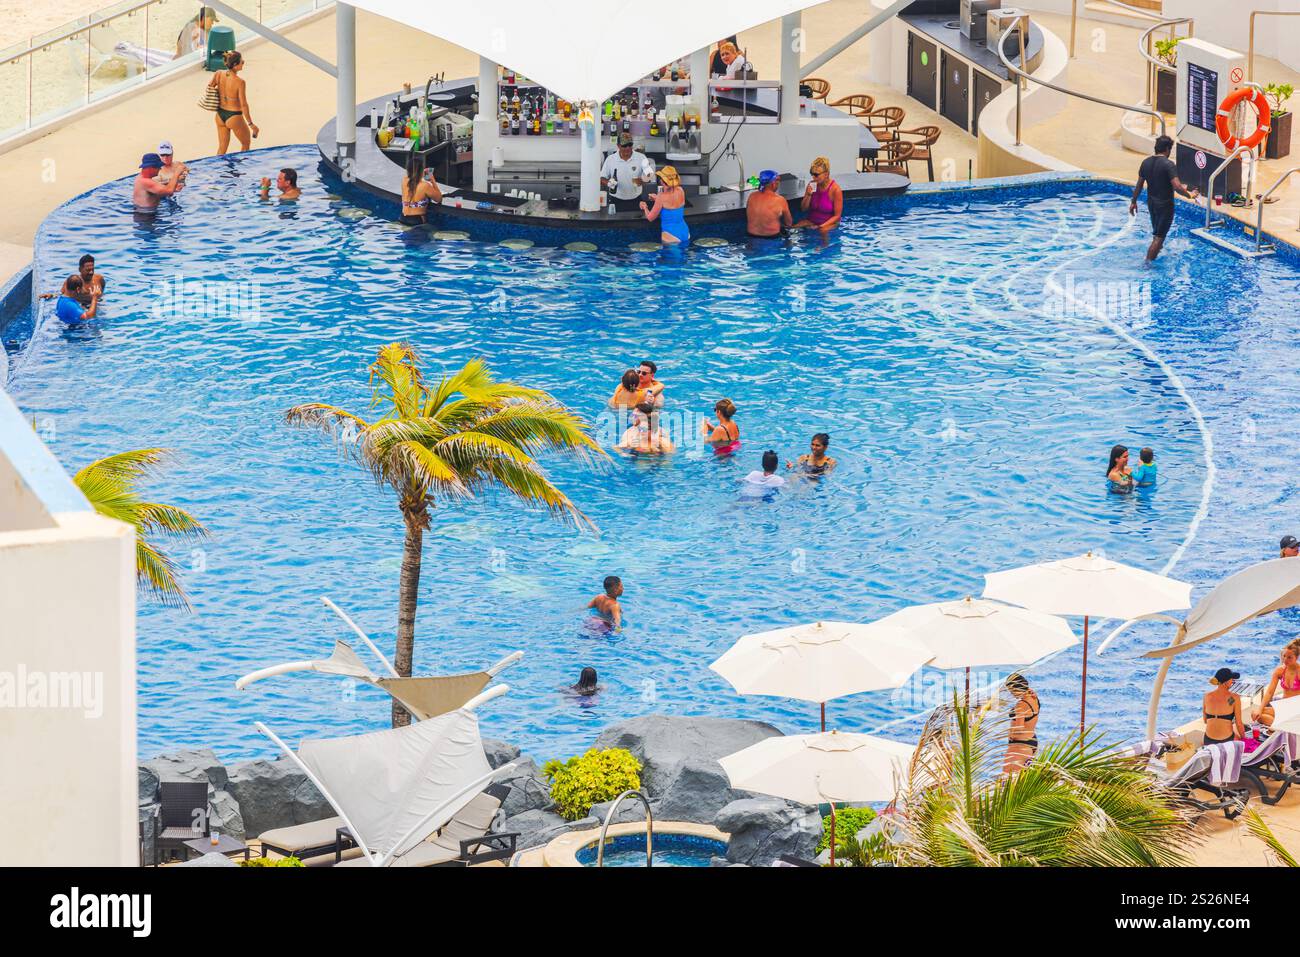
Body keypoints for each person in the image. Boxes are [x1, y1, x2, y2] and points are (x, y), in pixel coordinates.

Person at [1130, 134, 1199, 262]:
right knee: (1159, 237)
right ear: (1167, 149)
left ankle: (1155, 253)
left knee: (1157, 234)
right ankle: (1148, 263)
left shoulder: (1145, 162)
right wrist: (1190, 195)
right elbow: (1177, 186)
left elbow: (1139, 185)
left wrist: (1133, 202)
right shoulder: (1168, 164)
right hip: (1165, 206)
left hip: (1151, 204)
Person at [207, 51, 258, 155]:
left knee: (222, 148)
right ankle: (243, 170)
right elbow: (244, 105)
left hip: (220, 115)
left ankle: (217, 169)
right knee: (245, 143)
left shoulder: (218, 74)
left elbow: (209, 87)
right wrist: (251, 124)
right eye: (241, 62)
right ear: (235, 65)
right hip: (234, 117)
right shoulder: (240, 82)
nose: (243, 63)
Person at [601, 131, 653, 212]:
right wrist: (608, 183)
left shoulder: (641, 157)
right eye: (624, 145)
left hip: (636, 200)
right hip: (616, 200)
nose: (628, 148)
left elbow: (649, 175)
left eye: (630, 145)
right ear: (618, 146)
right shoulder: (610, 159)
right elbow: (602, 178)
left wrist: (643, 180)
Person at [1252, 640, 1300, 726]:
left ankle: (1281, 725)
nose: (1285, 660)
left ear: (1296, 657)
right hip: (1283, 706)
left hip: (1296, 709)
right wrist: (1260, 709)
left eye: (1289, 657)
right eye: (1284, 656)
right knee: (1256, 714)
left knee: (1262, 715)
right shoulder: (1280, 670)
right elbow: (1270, 692)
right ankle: (1282, 725)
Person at [640, 166, 689, 246]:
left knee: (669, 258)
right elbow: (671, 203)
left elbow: (650, 218)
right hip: (684, 231)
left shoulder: (661, 197)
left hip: (670, 235)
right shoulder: (680, 190)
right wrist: (657, 199)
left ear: (662, 181)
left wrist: (644, 207)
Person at [793, 157, 842, 234]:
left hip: (829, 223)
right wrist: (808, 195)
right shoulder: (812, 184)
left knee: (823, 231)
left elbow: (837, 216)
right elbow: (803, 209)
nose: (813, 177)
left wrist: (821, 226)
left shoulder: (835, 190)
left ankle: (824, 246)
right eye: (812, 174)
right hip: (812, 221)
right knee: (792, 229)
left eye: (816, 175)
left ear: (826, 174)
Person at [1004, 673, 1040, 773]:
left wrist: (1010, 735)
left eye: (1012, 691)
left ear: (1018, 688)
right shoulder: (1033, 697)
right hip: (1031, 741)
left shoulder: (1021, 705)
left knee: (1009, 779)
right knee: (1022, 779)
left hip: (1020, 745)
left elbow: (1019, 729)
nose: (1012, 694)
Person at [1202, 667, 1245, 746]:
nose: (1233, 681)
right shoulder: (1234, 698)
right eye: (1232, 679)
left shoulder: (1207, 696)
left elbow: (1205, 720)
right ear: (1226, 682)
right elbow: (1239, 724)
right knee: (1238, 735)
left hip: (1208, 740)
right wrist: (1244, 739)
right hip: (1226, 741)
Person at [746, 170, 792, 240]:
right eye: (777, 181)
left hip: (751, 236)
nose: (778, 183)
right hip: (772, 238)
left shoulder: (751, 196)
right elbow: (788, 223)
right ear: (773, 183)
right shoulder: (780, 200)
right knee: (788, 239)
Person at [400, 151, 441, 226]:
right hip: (416, 221)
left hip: (402, 218)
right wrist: (432, 180)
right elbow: (438, 199)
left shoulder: (404, 180)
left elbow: (413, 183)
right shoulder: (425, 186)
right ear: (421, 171)